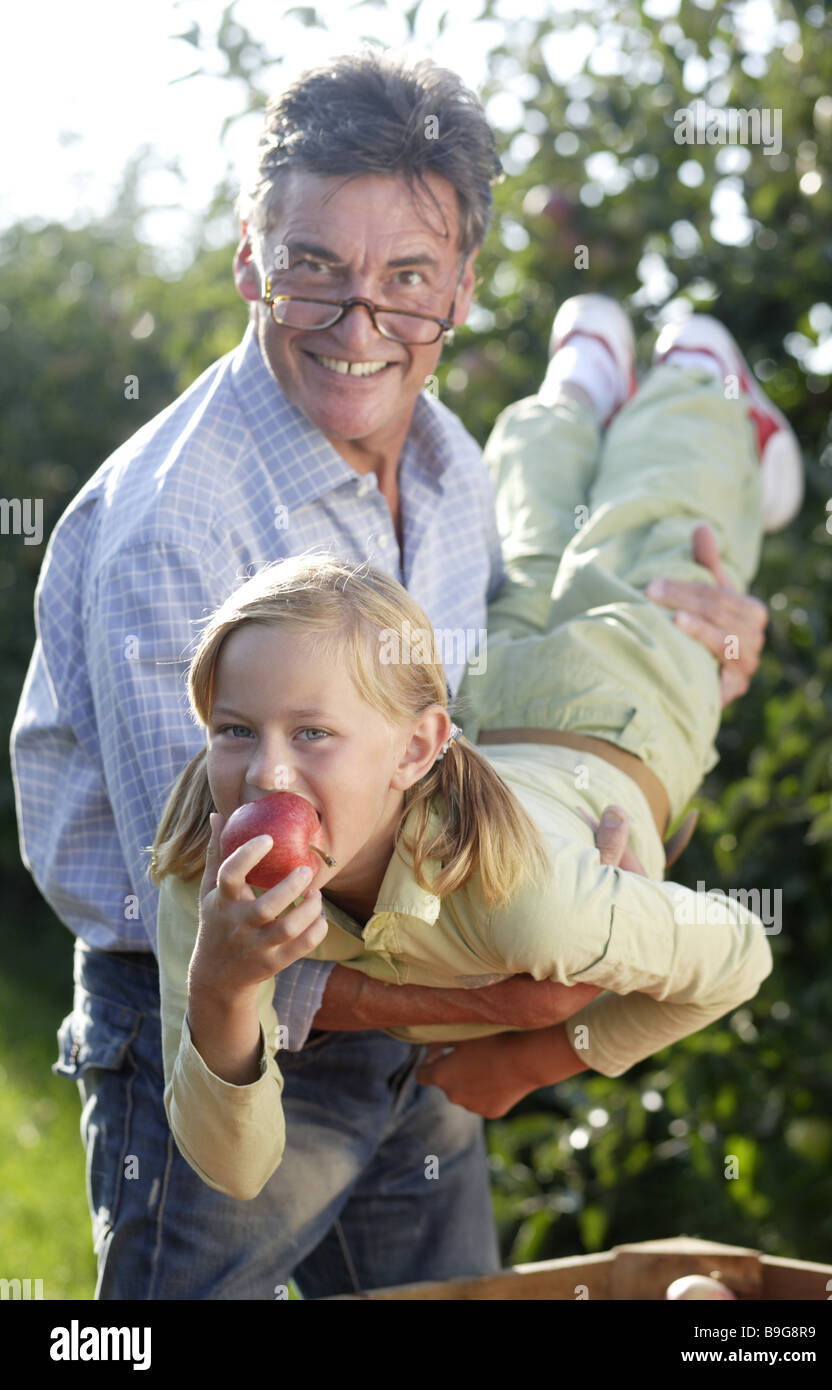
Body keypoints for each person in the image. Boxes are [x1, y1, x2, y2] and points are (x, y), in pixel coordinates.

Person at [10, 50, 772, 1301]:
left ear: (461, 289)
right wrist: (513, 995)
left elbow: (451, 720)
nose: (359, 327)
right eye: (314, 270)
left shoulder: (446, 463)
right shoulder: (173, 534)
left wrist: (684, 662)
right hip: (213, 1008)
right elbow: (212, 893)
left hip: (420, 967)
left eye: (405, 280)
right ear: (252, 258)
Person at [151, 302, 795, 1205]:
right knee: (538, 546)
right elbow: (235, 1170)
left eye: (312, 733)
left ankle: (697, 368)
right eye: (234, 729)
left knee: (653, 524)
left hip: (623, 700)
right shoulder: (206, 876)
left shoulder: (529, 905)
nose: (266, 774)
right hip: (495, 711)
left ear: (415, 749)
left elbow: (739, 954)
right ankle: (576, 384)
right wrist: (219, 992)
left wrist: (539, 1056)